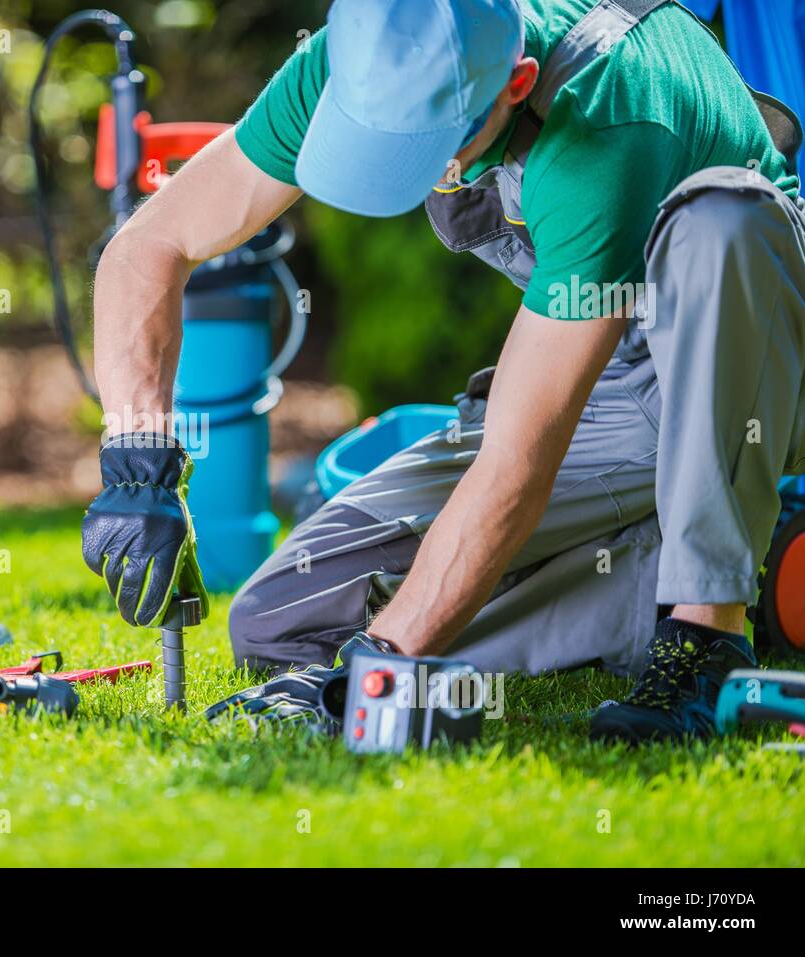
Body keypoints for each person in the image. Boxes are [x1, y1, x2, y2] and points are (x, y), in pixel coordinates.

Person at [80, 0, 805, 743]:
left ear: (517, 85)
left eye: (433, 147)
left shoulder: (606, 116)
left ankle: (704, 632)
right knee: (281, 616)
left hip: (758, 365)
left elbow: (516, 464)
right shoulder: (372, 51)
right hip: (610, 373)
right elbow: (151, 245)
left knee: (725, 217)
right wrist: (136, 460)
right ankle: (701, 557)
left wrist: (383, 661)